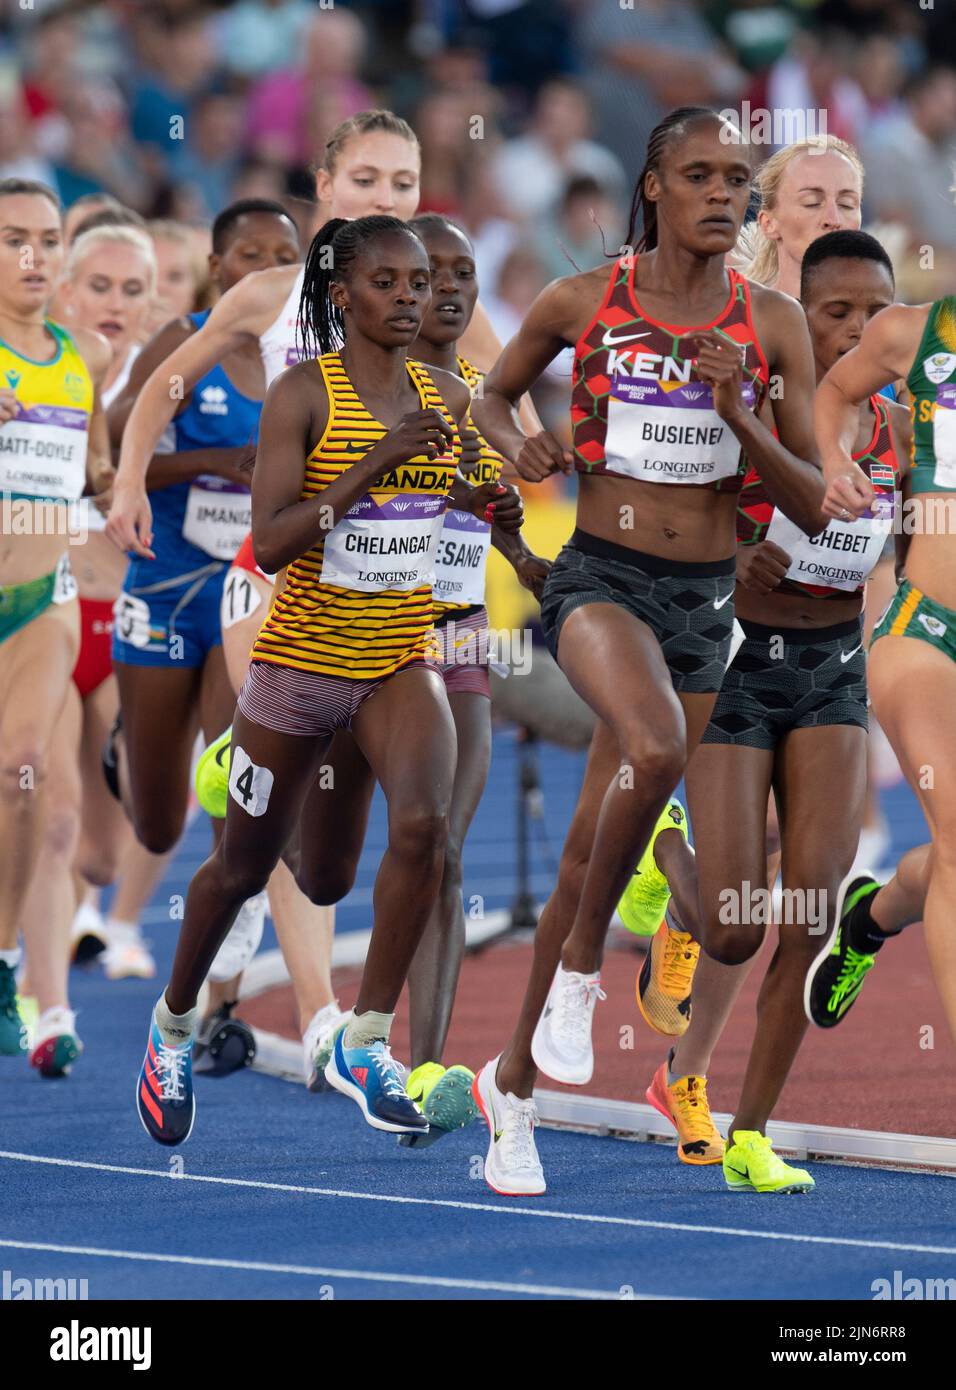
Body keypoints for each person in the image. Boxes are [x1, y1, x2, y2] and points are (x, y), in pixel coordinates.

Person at [468, 106, 824, 1196]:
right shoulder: (584, 300)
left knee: (720, 921)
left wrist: (739, 405)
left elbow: (809, 500)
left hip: (707, 604)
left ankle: (510, 1084)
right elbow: (488, 390)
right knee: (651, 746)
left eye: (737, 178)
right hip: (599, 582)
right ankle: (574, 978)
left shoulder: (772, 324)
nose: (723, 193)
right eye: (699, 175)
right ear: (654, 187)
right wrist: (518, 437)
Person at [134, 214, 511, 1145]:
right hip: (300, 666)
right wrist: (376, 466)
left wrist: (514, 532)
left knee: (424, 830)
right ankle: (173, 1023)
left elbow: (460, 498)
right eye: (389, 283)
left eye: (420, 285)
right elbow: (270, 541)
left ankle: (366, 1038)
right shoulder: (306, 392)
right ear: (342, 295)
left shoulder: (447, 392)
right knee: (259, 869)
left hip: (396, 660)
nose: (412, 299)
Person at [664, 230, 909, 1193]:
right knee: (733, 929)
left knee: (808, 914)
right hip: (736, 666)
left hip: (833, 671)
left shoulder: (907, 427)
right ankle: (669, 854)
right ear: (798, 316)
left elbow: (905, 550)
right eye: (834, 310)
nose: (854, 327)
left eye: (871, 311)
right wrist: (730, 560)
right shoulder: (748, 400)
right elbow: (665, 525)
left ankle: (752, 1131)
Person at [108, 198, 301, 1066]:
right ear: (220, 270)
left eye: (282, 253)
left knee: (239, 768)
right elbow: (121, 440)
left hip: (247, 590)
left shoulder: (309, 352)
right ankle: (130, 739)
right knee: (154, 822)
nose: (264, 265)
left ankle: (221, 1005)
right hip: (167, 580)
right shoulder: (190, 344)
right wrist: (216, 463)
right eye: (248, 253)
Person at [814, 247, 956, 1054]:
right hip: (925, 628)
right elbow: (834, 389)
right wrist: (836, 459)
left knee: (946, 851)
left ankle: (870, 917)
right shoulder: (914, 333)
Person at [0, 178, 112, 1070]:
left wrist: (123, 493)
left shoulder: (84, 360)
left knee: (23, 770)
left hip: (42, 596)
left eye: (46, 239)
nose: (33, 256)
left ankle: (8, 967)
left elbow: (100, 473)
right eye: (12, 240)